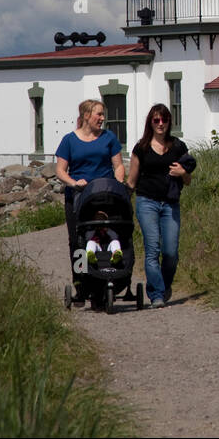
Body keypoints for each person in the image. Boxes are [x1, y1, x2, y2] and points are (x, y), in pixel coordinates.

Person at [126, 103, 196, 308]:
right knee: (152, 249)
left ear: (169, 122)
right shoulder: (141, 148)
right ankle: (156, 294)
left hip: (170, 204)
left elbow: (188, 180)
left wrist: (183, 173)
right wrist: (122, 196)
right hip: (147, 201)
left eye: (164, 119)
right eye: (156, 120)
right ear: (150, 122)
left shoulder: (178, 147)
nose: (161, 124)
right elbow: (132, 180)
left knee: (171, 252)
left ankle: (164, 286)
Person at [55, 99, 125, 303]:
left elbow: (118, 165)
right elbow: (60, 170)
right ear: (86, 116)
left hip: (104, 196)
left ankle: (104, 279)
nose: (102, 119)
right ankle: (81, 283)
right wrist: (74, 183)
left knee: (105, 235)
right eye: (99, 114)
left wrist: (119, 181)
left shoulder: (109, 138)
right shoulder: (69, 140)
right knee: (77, 241)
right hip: (78, 197)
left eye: (103, 115)